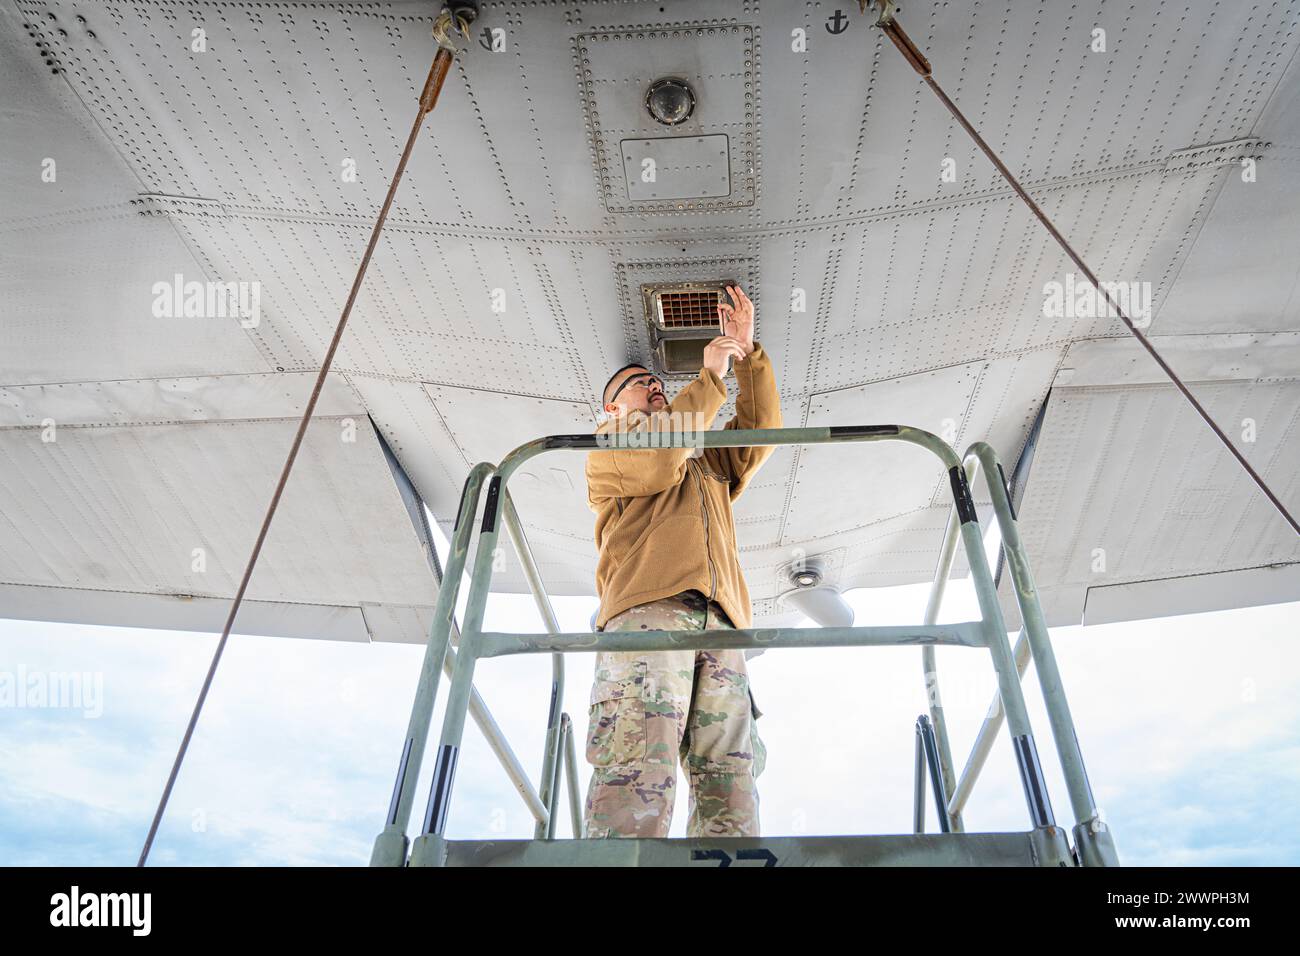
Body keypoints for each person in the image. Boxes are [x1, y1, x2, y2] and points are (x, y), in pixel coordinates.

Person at [583, 284, 782, 838]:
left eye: (656, 383)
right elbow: (659, 455)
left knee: (729, 772)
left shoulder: (699, 462)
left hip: (721, 624)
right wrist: (709, 379)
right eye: (637, 384)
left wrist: (749, 357)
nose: (652, 386)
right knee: (637, 766)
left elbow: (757, 436)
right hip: (649, 618)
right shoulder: (610, 448)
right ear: (611, 407)